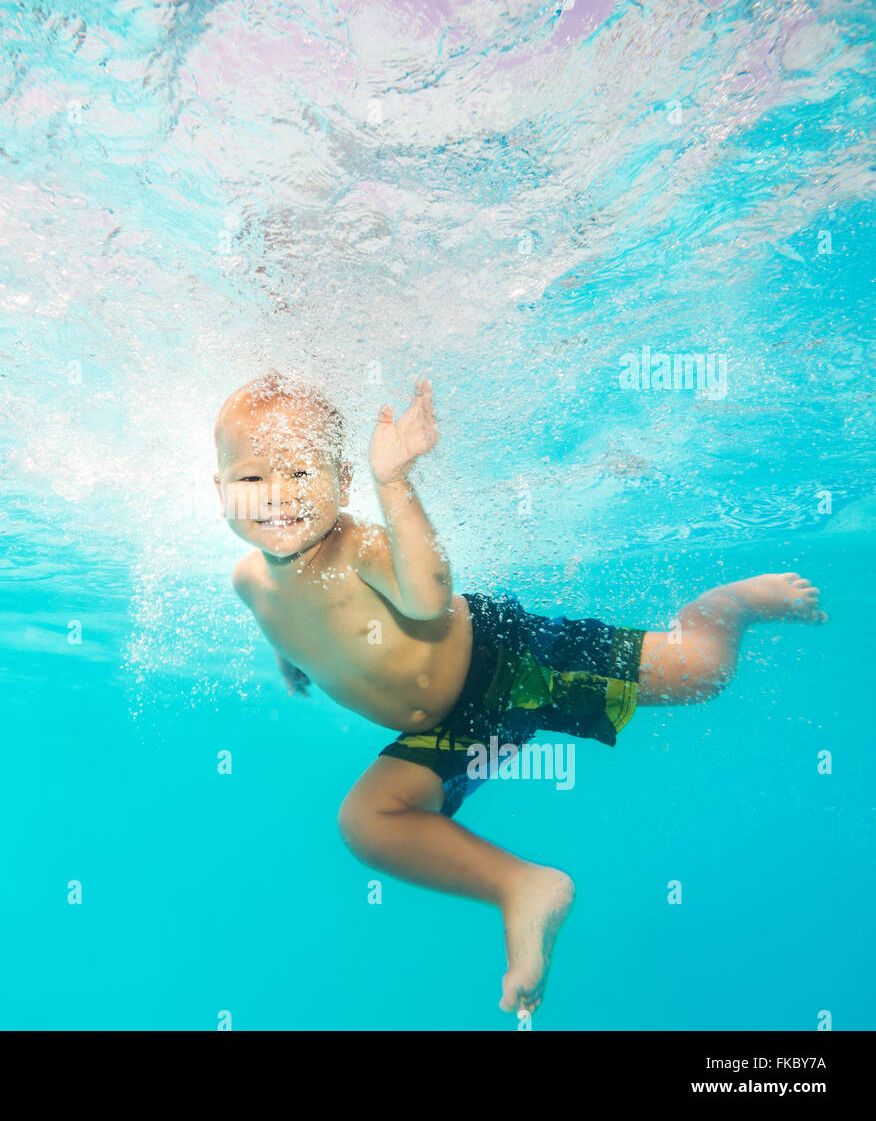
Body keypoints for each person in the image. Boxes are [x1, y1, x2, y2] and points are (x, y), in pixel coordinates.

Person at [214, 370, 826, 1018]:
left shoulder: (359, 547)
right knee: (363, 823)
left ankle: (723, 607)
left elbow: (425, 599)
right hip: (449, 732)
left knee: (701, 675)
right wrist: (292, 666)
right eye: (253, 479)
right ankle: (520, 886)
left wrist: (394, 483)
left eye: (301, 475)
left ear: (341, 480)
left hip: (511, 662)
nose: (277, 496)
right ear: (219, 489)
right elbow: (288, 624)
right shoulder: (249, 583)